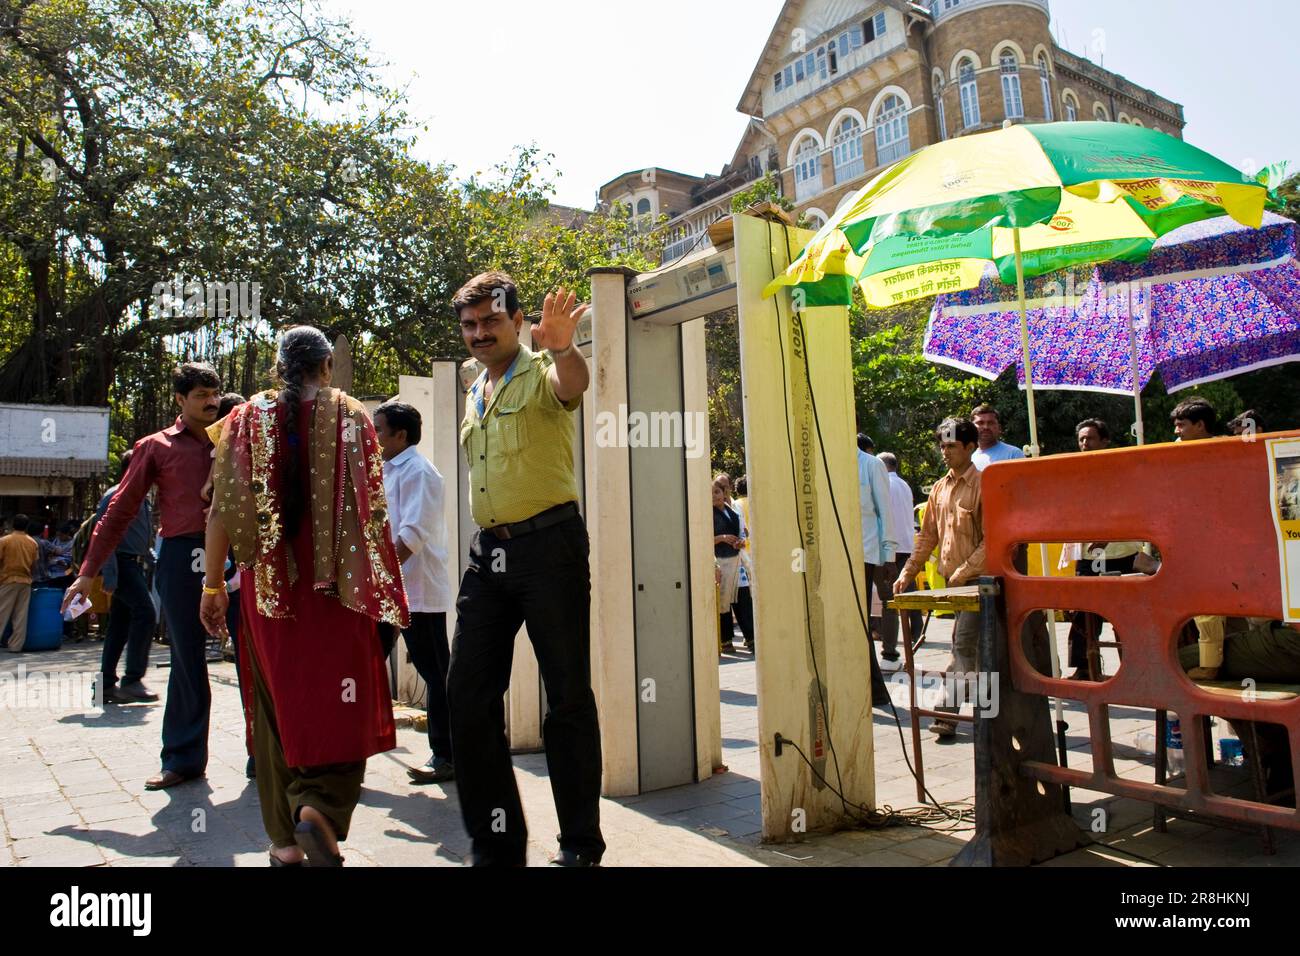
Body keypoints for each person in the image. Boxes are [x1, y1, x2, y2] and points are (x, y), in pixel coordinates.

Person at [200, 326, 407, 867]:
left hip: (269, 597)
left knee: (274, 713)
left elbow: (219, 508)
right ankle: (319, 808)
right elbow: (372, 512)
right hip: (336, 593)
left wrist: (214, 584)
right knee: (343, 704)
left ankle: (284, 843)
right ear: (327, 368)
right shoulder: (354, 417)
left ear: (277, 368)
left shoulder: (242, 419)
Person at [447, 272, 605, 867]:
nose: (480, 333)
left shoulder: (540, 371)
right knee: (466, 694)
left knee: (565, 696)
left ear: (518, 323)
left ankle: (580, 845)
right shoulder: (475, 388)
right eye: (470, 325)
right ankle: (497, 841)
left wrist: (563, 346)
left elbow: (573, 385)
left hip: (549, 549)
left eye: (491, 320)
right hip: (487, 556)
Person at [62, 362, 223, 790]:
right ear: (179, 399)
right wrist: (88, 573)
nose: (211, 402)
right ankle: (184, 759)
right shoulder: (156, 447)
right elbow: (118, 512)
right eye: (200, 395)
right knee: (188, 657)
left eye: (214, 393)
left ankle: (267, 760)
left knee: (256, 654)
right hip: (184, 553)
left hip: (242, 554)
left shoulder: (237, 437)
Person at [375, 400, 455, 785]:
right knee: (368, 664)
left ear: (400, 435)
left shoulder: (420, 472)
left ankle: (447, 755)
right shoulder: (387, 469)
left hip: (415, 589)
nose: (374, 438)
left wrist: (384, 576)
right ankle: (356, 746)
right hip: (387, 588)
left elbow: (412, 535)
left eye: (379, 431)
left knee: (434, 671)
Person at [894, 419, 985, 740]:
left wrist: (965, 572)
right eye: (942, 446)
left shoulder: (985, 484)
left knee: (963, 647)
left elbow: (994, 539)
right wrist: (908, 571)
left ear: (970, 447)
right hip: (954, 588)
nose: (945, 452)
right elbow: (927, 536)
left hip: (981, 584)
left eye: (951, 446)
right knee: (971, 651)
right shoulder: (939, 488)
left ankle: (947, 714)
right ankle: (988, 715)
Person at [1063, 419, 1148, 680]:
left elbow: (1129, 508)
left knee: (1126, 616)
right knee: (1083, 614)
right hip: (1088, 555)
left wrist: (1109, 534)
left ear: (1105, 441)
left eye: (1090, 438)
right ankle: (1085, 667)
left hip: (1121, 554)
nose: (1085, 444)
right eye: (1081, 439)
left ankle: (1134, 669)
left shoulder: (1120, 470)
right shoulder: (1073, 472)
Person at [93, 449, 159, 704]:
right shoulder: (116, 495)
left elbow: (142, 539)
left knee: (119, 626)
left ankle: (105, 685)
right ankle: (133, 679)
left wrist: (155, 560)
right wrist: (109, 573)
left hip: (133, 563)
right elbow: (103, 537)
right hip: (121, 564)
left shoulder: (141, 497)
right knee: (146, 613)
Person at [1170, 398, 1228, 678]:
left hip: (1222, 536)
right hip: (1195, 537)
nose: (1176, 431)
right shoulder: (1175, 455)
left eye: (1181, 425)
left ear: (1200, 425)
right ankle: (1210, 664)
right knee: (1205, 604)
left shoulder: (1225, 450)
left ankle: (1211, 665)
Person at [858, 434, 898, 699]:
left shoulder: (872, 464)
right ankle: (868, 686)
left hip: (866, 552)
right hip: (834, 554)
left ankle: (874, 688)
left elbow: (885, 510)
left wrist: (889, 557)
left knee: (859, 622)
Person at [878, 452, 922, 656]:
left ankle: (891, 642)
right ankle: (917, 631)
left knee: (891, 595)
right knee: (909, 589)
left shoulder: (885, 483)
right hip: (906, 541)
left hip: (892, 544)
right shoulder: (904, 485)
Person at [713, 477, 744, 654]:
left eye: (718, 492)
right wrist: (722, 538)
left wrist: (738, 542)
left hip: (733, 559)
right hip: (720, 561)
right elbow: (703, 538)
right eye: (712, 493)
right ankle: (724, 639)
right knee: (722, 601)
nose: (716, 496)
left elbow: (741, 534)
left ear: (724, 493)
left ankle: (727, 638)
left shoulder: (732, 512)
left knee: (728, 600)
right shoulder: (709, 514)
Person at [0, 515, 40, 651]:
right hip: (26, 581)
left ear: (12, 525)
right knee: (21, 615)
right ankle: (16, 646)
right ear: (27, 526)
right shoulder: (32, 543)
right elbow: (34, 564)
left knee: (2, 612)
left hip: (7, 580)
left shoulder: (5, 541)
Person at [732, 475, 755, 652]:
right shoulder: (755, 500)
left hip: (743, 552)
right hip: (756, 551)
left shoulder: (737, 504)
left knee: (748, 593)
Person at [970, 404, 1024, 470]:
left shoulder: (1013, 454)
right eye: (980, 423)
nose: (986, 427)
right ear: (971, 427)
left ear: (999, 427)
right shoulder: (969, 459)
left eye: (990, 423)